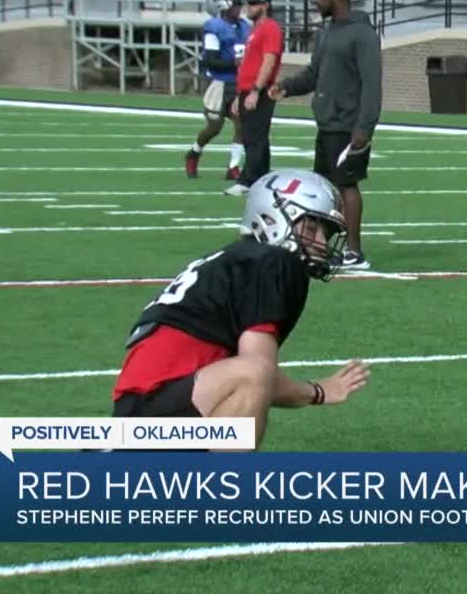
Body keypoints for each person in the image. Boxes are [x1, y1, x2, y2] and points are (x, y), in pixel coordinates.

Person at [111, 169, 370, 449]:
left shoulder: (234, 259)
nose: (321, 243)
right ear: (271, 217)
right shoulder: (272, 261)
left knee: (251, 374)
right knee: (253, 372)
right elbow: (259, 373)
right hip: (155, 411)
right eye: (310, 228)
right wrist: (318, 391)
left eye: (326, 233)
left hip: (150, 408)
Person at [271, 0, 381, 271]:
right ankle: (317, 247)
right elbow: (313, 74)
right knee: (323, 188)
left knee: (347, 185)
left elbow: (372, 84)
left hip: (349, 125)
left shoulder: (363, 34)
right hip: (327, 122)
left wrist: (365, 127)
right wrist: (287, 86)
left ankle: (355, 253)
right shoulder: (326, 32)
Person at [184, 0, 251, 181]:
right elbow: (211, 60)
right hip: (219, 83)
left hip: (238, 84)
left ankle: (233, 167)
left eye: (239, 5)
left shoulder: (245, 26)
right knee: (214, 127)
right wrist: (235, 63)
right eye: (235, 5)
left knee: (241, 124)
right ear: (222, 6)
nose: (238, 8)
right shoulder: (214, 27)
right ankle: (194, 152)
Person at [225, 0, 283, 197]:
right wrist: (241, 93)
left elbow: (269, 60)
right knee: (255, 136)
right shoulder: (255, 29)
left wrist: (256, 90)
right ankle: (262, 178)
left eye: (254, 3)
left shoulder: (270, 28)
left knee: (254, 137)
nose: (249, 6)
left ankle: (249, 180)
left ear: (265, 5)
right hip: (247, 89)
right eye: (249, 3)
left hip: (259, 90)